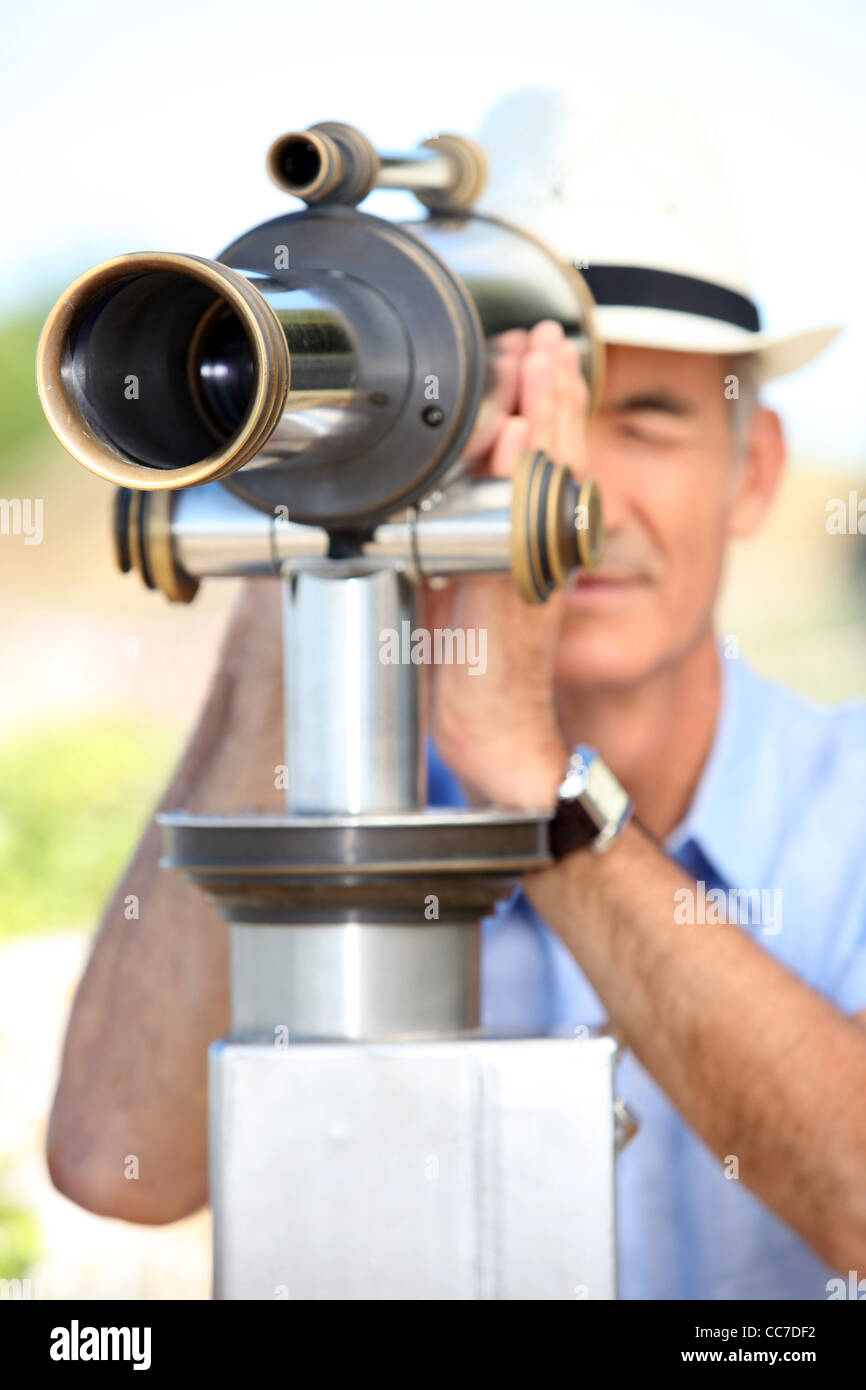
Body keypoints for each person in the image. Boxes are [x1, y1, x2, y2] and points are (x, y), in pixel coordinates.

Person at [46, 89, 866, 1300]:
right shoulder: (331, 788)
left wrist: (527, 777)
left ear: (754, 473)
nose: (571, 479)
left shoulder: (844, 804)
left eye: (637, 417)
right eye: (502, 416)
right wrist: (311, 539)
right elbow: (120, 1165)